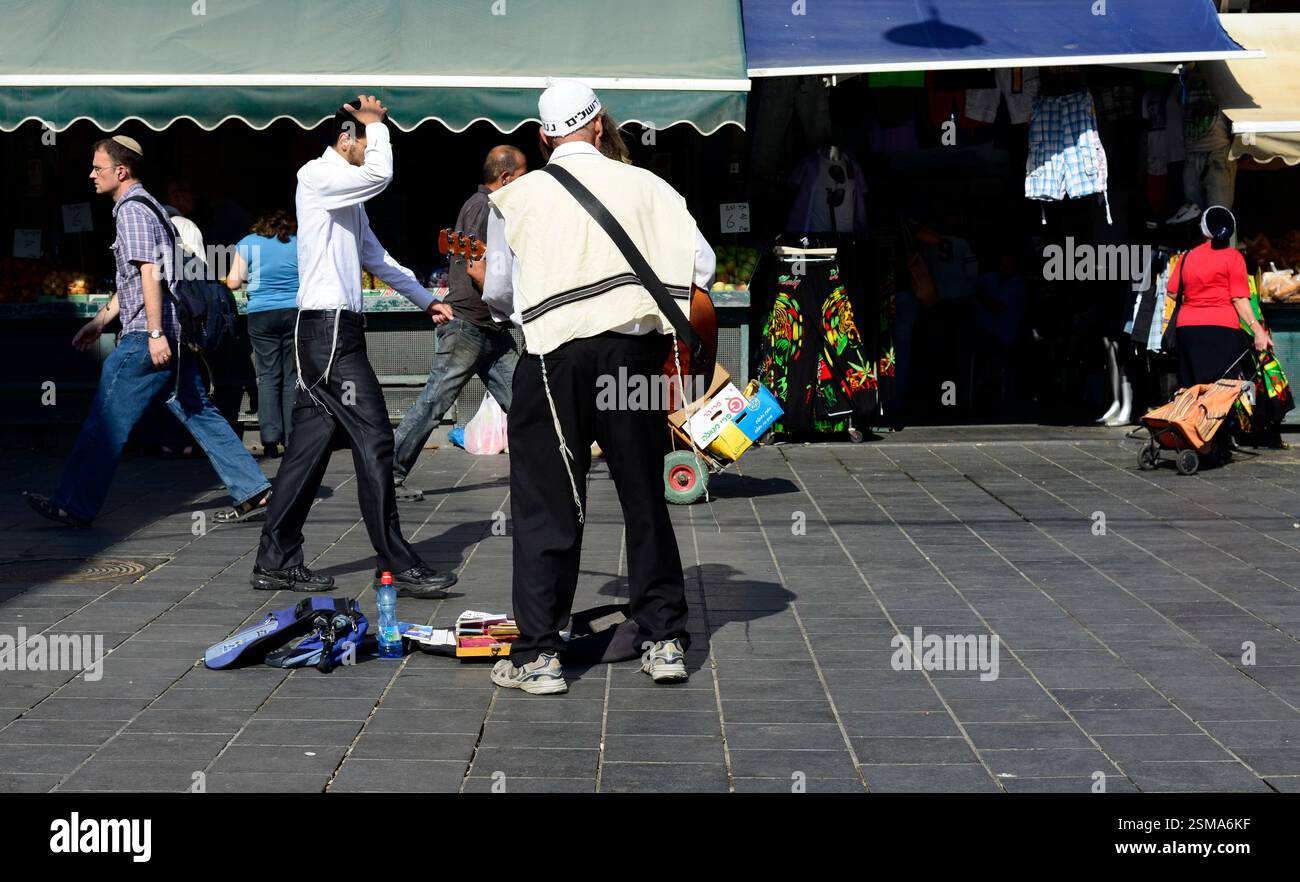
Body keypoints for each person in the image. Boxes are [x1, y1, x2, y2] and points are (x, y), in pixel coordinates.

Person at [475, 80, 716, 695]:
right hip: (633, 356)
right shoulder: (653, 187)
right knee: (643, 496)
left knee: (547, 504)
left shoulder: (517, 197)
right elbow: (702, 267)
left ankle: (540, 655)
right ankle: (663, 642)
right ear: (602, 125)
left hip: (555, 359)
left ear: (543, 135)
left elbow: (500, 293)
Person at [250, 96, 457, 596]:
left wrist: (425, 298)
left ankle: (274, 559)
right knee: (376, 442)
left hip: (335, 332)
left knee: (307, 450)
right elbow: (380, 175)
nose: (368, 149)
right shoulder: (316, 176)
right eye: (362, 140)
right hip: (326, 334)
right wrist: (377, 126)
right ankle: (397, 562)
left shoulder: (346, 198)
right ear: (346, 139)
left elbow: (377, 258)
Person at [23, 135, 272, 527]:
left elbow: (149, 274)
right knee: (199, 412)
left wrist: (154, 333)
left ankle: (73, 503)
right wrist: (100, 321)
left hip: (146, 337)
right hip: (171, 334)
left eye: (97, 168)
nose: (91, 175)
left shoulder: (132, 211)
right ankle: (254, 489)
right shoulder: (153, 207)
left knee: (105, 422)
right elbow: (139, 279)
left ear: (120, 171)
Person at [390, 147, 526, 499]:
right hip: (469, 324)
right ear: (507, 177)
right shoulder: (484, 207)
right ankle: (386, 475)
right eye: (524, 172)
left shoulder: (490, 207)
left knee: (525, 402)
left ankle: (546, 470)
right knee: (434, 403)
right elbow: (476, 263)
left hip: (490, 326)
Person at [1173, 205, 1271, 390]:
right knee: (1221, 392)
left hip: (1188, 330)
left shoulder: (1187, 257)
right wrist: (1258, 331)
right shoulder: (1233, 258)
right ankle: (1218, 420)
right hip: (1222, 330)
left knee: (1190, 390)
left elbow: (1172, 292)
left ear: (1203, 229)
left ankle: (1191, 419)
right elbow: (1239, 299)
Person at [228, 210, 300, 459]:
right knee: (291, 375)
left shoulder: (248, 243)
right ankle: (292, 438)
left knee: (268, 376)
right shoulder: (298, 242)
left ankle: (270, 440)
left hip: (261, 314)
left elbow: (233, 282)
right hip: (294, 312)